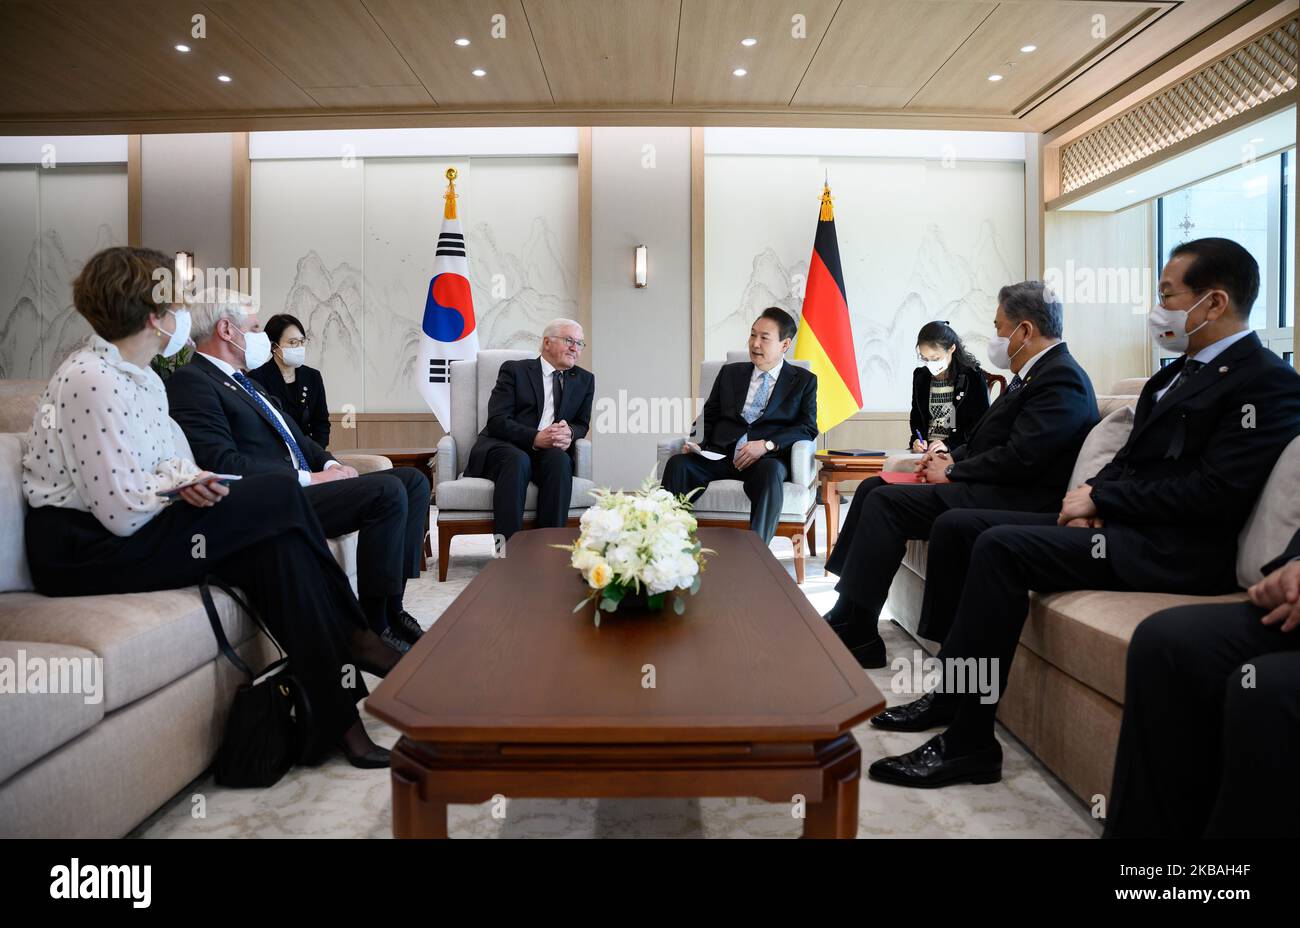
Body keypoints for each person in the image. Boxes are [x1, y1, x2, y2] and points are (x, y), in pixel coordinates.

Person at [869, 238, 1300, 788]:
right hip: (1123, 528)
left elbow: (1215, 492)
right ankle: (953, 697)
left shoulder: (1269, 383)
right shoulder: (1172, 377)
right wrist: (1091, 497)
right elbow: (1128, 460)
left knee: (1000, 547)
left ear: (1213, 303)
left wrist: (1104, 500)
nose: (1158, 309)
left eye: (1169, 295)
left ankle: (968, 740)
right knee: (970, 528)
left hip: (1181, 551)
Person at [20, 246, 395, 768]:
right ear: (154, 316)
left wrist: (190, 481)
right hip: (85, 549)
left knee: (279, 547)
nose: (180, 317)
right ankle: (359, 637)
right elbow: (121, 513)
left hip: (138, 522)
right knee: (280, 495)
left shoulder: (145, 376)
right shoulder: (90, 380)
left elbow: (167, 462)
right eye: (175, 306)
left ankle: (342, 724)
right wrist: (184, 493)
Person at [823, 282, 1097, 667]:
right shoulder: (1034, 375)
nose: (996, 337)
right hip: (990, 484)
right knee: (872, 487)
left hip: (1018, 499)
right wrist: (947, 456)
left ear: (1025, 331)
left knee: (886, 503)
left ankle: (862, 631)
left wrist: (952, 470)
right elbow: (988, 438)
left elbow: (1023, 457)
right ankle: (848, 608)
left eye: (1000, 327)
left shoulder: (1061, 378)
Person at [165, 289, 429, 654]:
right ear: (227, 330)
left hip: (308, 487)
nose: (261, 338)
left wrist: (332, 465)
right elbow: (222, 463)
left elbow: (298, 440)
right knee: (386, 492)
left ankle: (393, 607)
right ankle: (374, 624)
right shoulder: (192, 382)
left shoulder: (248, 382)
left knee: (413, 482)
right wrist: (311, 478)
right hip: (278, 499)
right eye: (255, 328)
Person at [1104, 528, 1300, 837]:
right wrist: (1294, 564)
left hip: (1174, 545)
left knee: (1265, 686)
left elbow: (1212, 495)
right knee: (1168, 643)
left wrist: (1101, 498)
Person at [660, 307, 817, 544]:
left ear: (784, 345)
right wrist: (697, 441)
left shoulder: (803, 381)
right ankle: (667, 544)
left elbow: (807, 427)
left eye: (764, 338)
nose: (755, 344)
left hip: (764, 460)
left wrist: (767, 445)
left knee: (772, 472)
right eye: (753, 335)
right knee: (678, 464)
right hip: (720, 455)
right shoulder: (730, 373)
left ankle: (757, 553)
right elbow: (708, 415)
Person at [463, 318, 595, 539]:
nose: (575, 348)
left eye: (580, 343)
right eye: (569, 340)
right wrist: (535, 438)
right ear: (547, 343)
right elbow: (497, 420)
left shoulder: (584, 380)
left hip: (547, 452)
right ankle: (505, 553)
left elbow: (582, 423)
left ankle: (548, 549)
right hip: (504, 446)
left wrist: (569, 433)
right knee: (517, 460)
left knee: (560, 462)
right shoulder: (515, 371)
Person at [247, 312, 330, 448]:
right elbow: (258, 427)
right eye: (292, 342)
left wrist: (316, 453)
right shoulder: (256, 379)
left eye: (302, 341)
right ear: (274, 346)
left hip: (311, 452)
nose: (299, 347)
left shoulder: (313, 376)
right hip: (275, 455)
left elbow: (321, 423)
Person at [909, 320, 989, 453]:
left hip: (959, 453)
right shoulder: (921, 377)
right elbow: (916, 419)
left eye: (935, 358)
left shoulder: (972, 377)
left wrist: (949, 445)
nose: (930, 364)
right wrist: (916, 441)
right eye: (924, 358)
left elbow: (980, 426)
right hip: (926, 452)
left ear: (952, 349)